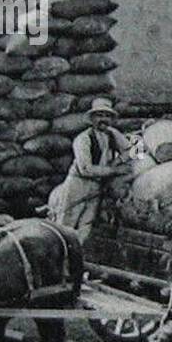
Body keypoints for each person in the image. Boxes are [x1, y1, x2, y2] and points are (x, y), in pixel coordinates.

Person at [47, 97, 131, 240]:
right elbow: (85, 168)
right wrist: (113, 170)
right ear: (92, 119)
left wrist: (118, 161)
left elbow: (134, 150)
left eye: (107, 116)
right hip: (77, 184)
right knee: (66, 223)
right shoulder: (83, 139)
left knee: (86, 225)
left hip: (96, 186)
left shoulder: (112, 134)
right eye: (99, 115)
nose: (103, 119)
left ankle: (76, 258)